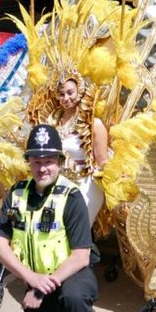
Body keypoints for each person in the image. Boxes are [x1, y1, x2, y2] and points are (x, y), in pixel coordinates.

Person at [0, 124, 99, 312]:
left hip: (72, 273)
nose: (42, 168)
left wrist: (40, 289)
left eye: (49, 161)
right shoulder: (16, 194)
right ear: (28, 162)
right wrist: (31, 279)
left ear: (60, 162)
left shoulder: (71, 197)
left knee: (73, 298)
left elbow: (81, 256)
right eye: (36, 161)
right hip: (38, 277)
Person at [50, 74, 109, 228]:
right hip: (57, 185)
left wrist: (116, 178)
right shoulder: (52, 123)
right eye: (62, 94)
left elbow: (103, 161)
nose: (66, 98)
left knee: (76, 232)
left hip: (85, 185)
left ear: (80, 91)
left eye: (70, 92)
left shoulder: (93, 124)